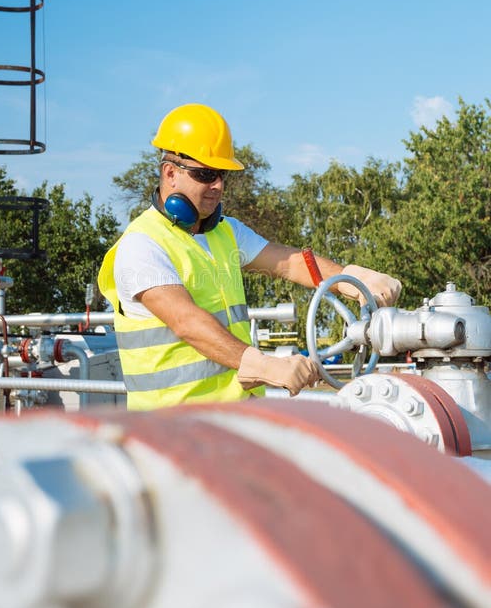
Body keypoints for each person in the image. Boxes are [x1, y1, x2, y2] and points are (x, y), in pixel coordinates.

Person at [98, 104, 402, 410]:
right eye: (205, 174)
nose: (217, 185)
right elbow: (186, 321)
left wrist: (351, 278)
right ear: (170, 173)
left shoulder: (226, 232)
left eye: (222, 175)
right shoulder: (142, 245)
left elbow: (290, 262)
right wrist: (262, 365)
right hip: (171, 431)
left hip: (233, 421)